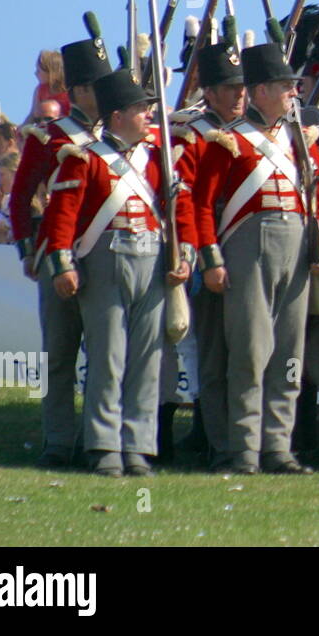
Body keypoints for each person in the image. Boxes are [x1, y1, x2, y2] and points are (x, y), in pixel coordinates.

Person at [191, 37, 319, 475]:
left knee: (290, 353)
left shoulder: (298, 140)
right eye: (284, 85)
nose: (294, 92)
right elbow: (201, 204)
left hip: (295, 246)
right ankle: (245, 449)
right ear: (260, 92)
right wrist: (211, 259)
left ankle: (278, 446)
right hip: (246, 246)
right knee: (252, 351)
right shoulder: (228, 141)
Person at [40, 68, 195, 476]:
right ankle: (104, 444)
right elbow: (63, 217)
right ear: (116, 116)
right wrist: (62, 264)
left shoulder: (158, 160)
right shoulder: (84, 159)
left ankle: (138, 445)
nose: (147, 116)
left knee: (147, 359)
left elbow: (180, 209)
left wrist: (185, 257)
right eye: (140, 109)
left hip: (153, 258)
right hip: (105, 259)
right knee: (108, 357)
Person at [10, 26, 113, 468]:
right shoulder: (48, 138)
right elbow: (20, 197)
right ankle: (57, 441)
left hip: (109, 252)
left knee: (107, 355)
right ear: (77, 90)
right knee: (60, 354)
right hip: (58, 251)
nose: (100, 95)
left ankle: (100, 440)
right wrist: (28, 248)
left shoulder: (122, 134)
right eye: (92, 87)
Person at [166, 23, 246, 469]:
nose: (238, 96)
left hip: (249, 250)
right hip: (208, 253)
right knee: (211, 352)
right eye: (228, 89)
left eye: (241, 88)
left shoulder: (257, 133)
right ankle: (216, 438)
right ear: (208, 92)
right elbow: (186, 198)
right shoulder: (190, 133)